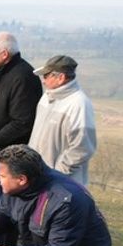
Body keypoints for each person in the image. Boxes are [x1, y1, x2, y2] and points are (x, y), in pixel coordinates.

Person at [28, 55, 96, 185]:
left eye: (47, 76)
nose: (43, 81)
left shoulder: (79, 104)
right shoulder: (46, 97)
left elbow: (82, 148)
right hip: (38, 177)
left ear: (61, 78)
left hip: (61, 184)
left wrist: (56, 173)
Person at [0, 31, 42, 156]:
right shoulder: (4, 74)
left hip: (11, 156)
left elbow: (22, 122)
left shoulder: (22, 77)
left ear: (4, 54)